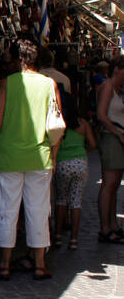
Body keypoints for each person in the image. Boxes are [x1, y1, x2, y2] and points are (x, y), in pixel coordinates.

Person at [0, 39, 60, 281]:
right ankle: (40, 265)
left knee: (7, 210)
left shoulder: (6, 84)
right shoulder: (50, 84)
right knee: (38, 211)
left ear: (18, 60)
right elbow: (55, 125)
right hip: (40, 157)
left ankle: (5, 265)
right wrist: (54, 158)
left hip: (8, 156)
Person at [53, 91, 96, 248]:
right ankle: (74, 240)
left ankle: (57, 236)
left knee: (61, 199)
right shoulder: (83, 124)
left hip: (62, 163)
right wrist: (82, 149)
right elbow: (93, 144)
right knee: (76, 202)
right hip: (80, 164)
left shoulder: (58, 123)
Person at [95, 56, 124, 242]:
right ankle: (105, 228)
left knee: (113, 185)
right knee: (109, 184)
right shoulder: (107, 87)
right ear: (117, 70)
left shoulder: (116, 89)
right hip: (111, 138)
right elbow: (101, 114)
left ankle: (113, 225)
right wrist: (117, 132)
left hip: (116, 139)